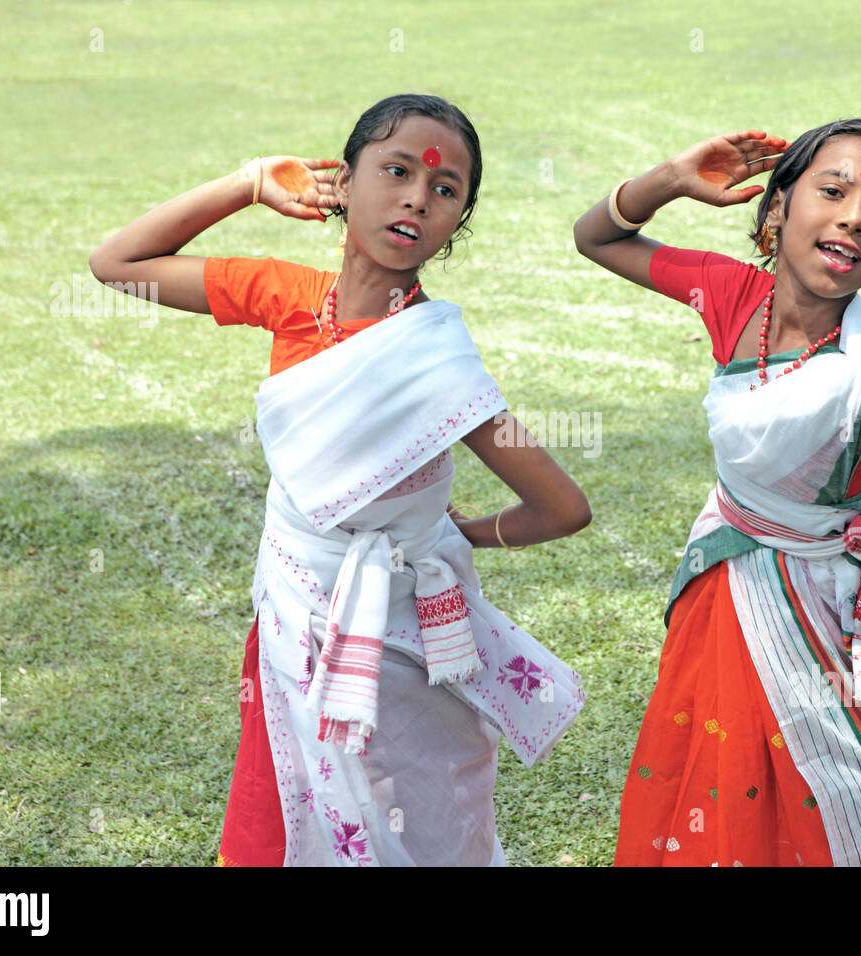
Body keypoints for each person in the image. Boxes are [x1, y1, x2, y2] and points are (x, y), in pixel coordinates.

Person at [90, 94, 591, 866]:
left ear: (457, 222)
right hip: (297, 618)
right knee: (282, 813)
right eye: (395, 171)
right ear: (343, 183)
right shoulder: (285, 297)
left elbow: (561, 507)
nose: (418, 197)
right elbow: (116, 264)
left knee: (418, 814)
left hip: (405, 642)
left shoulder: (438, 361)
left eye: (446, 189)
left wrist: (463, 534)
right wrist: (249, 181)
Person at [574, 119, 861, 867]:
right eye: (832, 190)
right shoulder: (733, 296)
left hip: (827, 619)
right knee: (716, 784)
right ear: (775, 213)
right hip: (728, 590)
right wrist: (672, 178)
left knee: (835, 800)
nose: (855, 215)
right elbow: (596, 238)